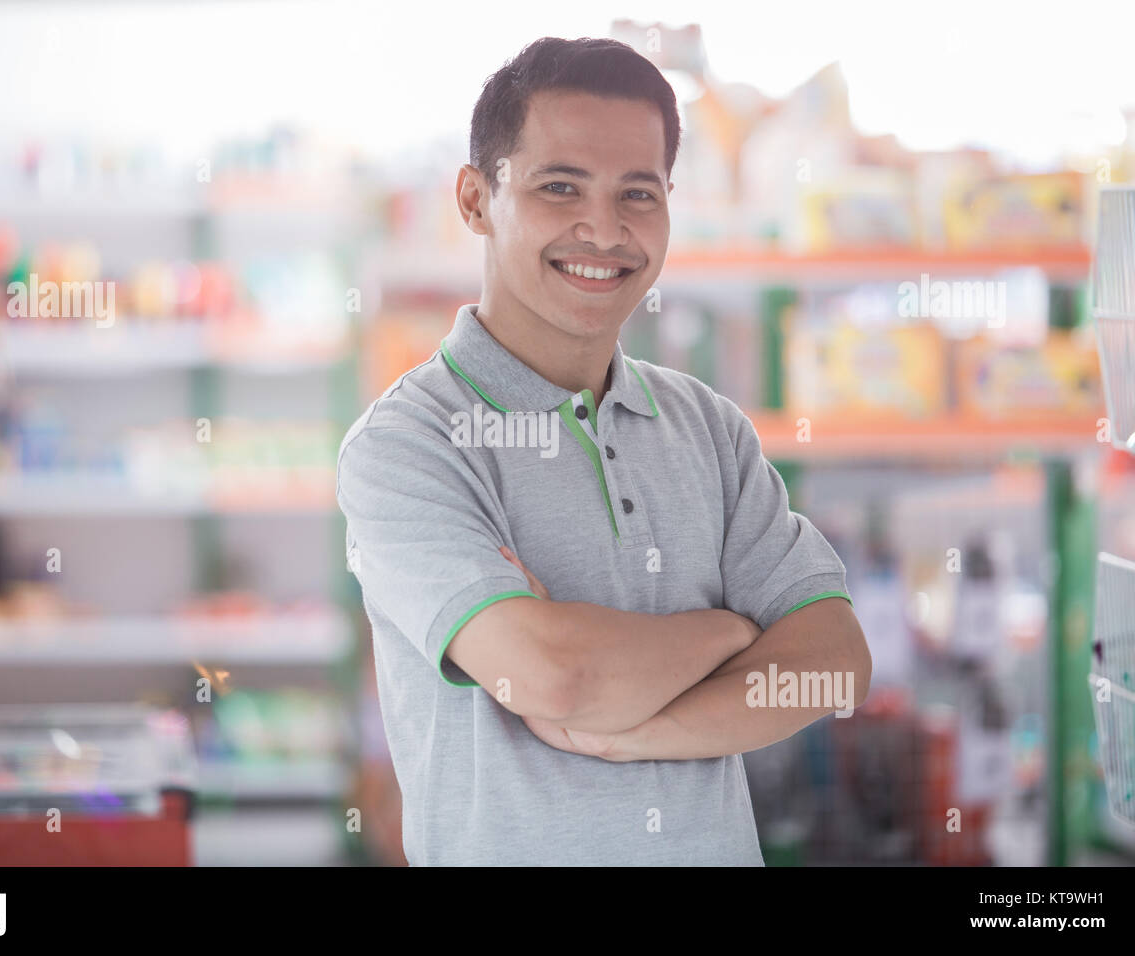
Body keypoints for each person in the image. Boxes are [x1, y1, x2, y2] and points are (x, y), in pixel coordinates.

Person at [336, 36, 871, 866]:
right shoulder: (407, 447)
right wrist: (731, 631)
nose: (605, 229)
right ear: (476, 200)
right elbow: (553, 680)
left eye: (638, 193)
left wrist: (637, 731)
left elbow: (833, 667)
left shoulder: (708, 428)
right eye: (560, 187)